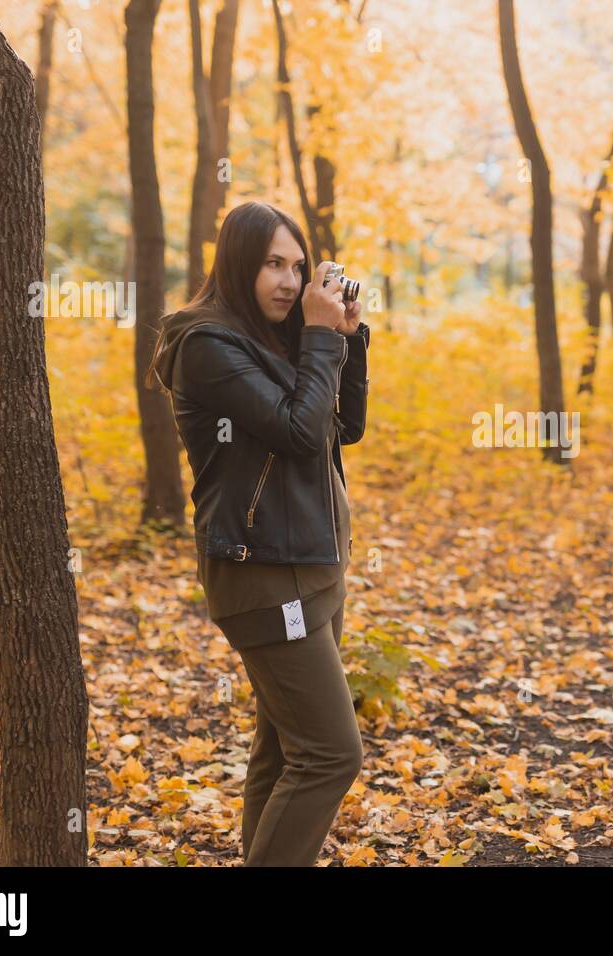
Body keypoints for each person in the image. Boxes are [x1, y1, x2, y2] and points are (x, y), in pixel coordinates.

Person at [145, 200, 371, 863]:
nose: (289, 282)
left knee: (281, 752)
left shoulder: (277, 340)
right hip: (265, 574)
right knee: (331, 754)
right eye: (273, 264)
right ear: (239, 263)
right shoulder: (207, 345)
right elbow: (298, 433)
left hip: (317, 565)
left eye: (298, 267)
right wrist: (319, 339)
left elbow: (343, 429)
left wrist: (347, 339)